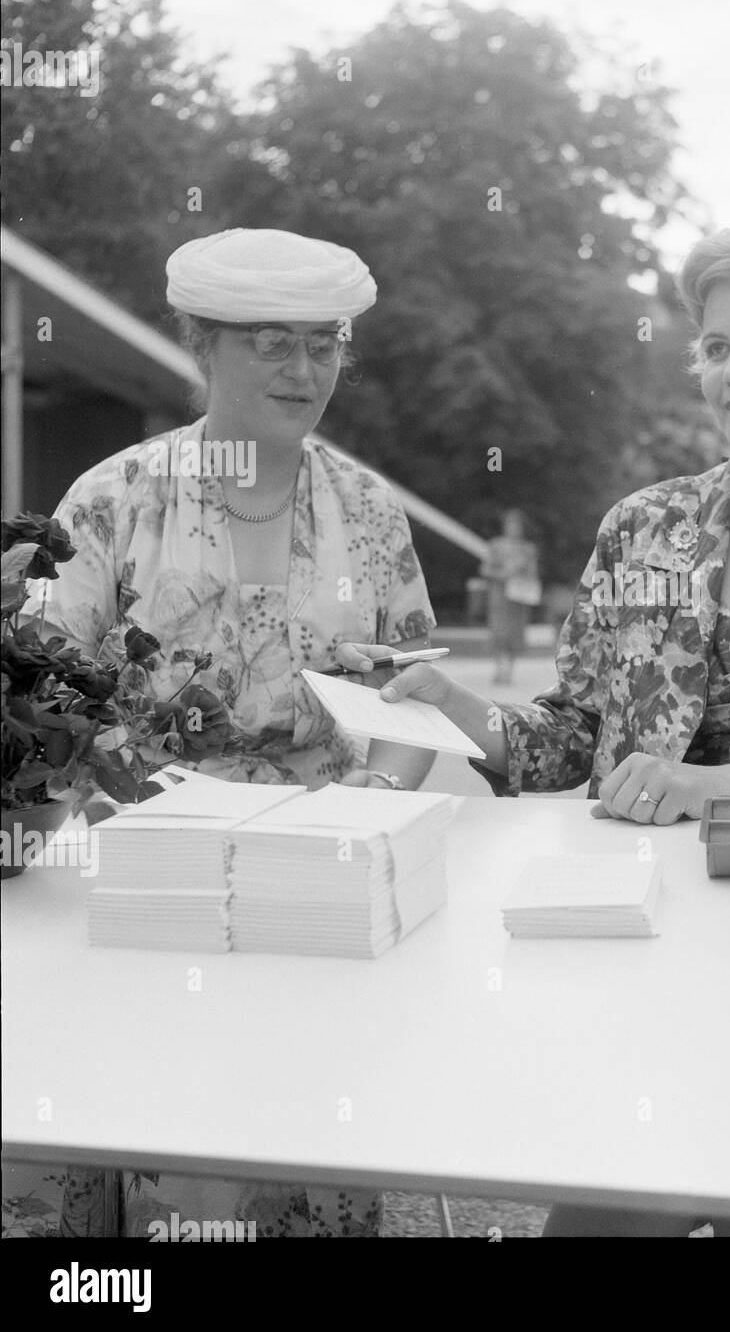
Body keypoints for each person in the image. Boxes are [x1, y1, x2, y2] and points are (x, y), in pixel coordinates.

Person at [337, 213, 730, 1235]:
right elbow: (568, 734)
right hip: (636, 938)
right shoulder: (640, 524)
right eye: (716, 345)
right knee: (603, 1215)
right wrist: (463, 713)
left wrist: (717, 784)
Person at [29, 227, 438, 1236]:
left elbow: (413, 691)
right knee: (165, 1153)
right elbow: (39, 692)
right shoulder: (111, 500)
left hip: (320, 894)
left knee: (315, 1146)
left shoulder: (371, 512)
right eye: (271, 343)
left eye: (325, 343)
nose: (305, 370)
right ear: (200, 346)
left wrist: (373, 811)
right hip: (148, 889)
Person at [479, 507, 541, 685]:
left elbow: (533, 573)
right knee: (498, 632)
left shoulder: (528, 549)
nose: (514, 529)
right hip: (499, 596)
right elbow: (485, 569)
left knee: (515, 633)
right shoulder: (496, 545)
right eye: (511, 525)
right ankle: (498, 669)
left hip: (519, 596)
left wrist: (523, 574)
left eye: (517, 525)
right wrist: (503, 574)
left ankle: (509, 671)